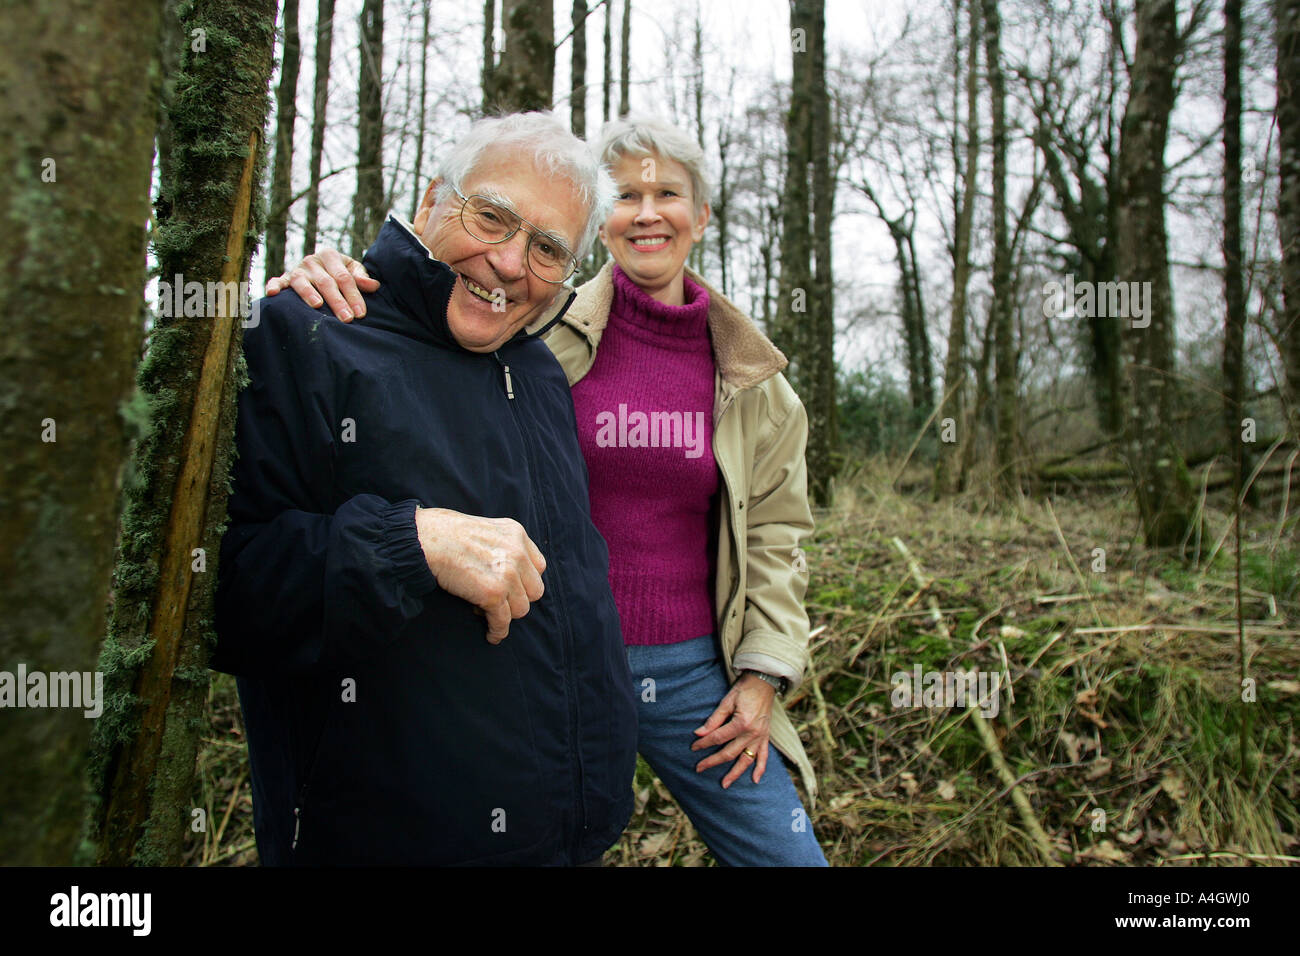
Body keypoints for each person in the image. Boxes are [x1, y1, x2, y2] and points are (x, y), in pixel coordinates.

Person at [271, 115, 827, 866]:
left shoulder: (751, 378)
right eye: (627, 194)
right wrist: (325, 278)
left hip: (691, 670)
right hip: (542, 653)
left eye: (669, 193)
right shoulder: (542, 328)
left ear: (701, 216)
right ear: (604, 223)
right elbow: (416, 331)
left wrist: (763, 674)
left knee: (784, 854)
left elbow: (776, 535)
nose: (648, 211)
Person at [213, 111, 638, 866]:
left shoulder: (540, 370)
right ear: (432, 200)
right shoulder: (304, 333)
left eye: (548, 250)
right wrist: (406, 544)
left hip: (568, 833)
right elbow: (222, 594)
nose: (510, 263)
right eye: (493, 217)